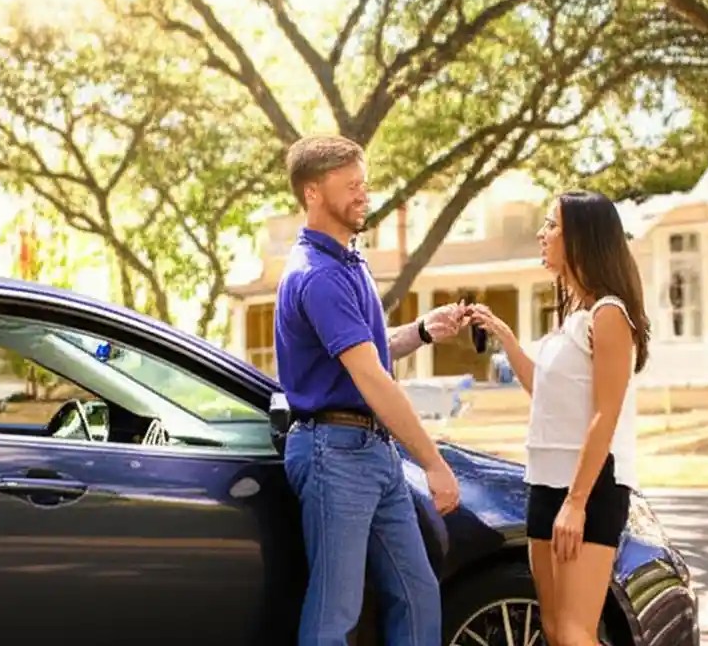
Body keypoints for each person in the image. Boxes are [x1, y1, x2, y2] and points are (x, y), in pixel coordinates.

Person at [274, 134, 464, 646]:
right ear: (313, 192)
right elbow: (371, 379)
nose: (364, 193)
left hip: (370, 451)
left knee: (416, 591)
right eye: (351, 185)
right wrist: (433, 462)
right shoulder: (317, 276)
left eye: (365, 182)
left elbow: (366, 352)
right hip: (334, 454)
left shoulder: (346, 263)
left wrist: (422, 330)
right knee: (336, 609)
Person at [467, 190, 650, 646]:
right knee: (552, 629)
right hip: (545, 482)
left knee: (574, 632)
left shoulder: (610, 314)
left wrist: (577, 501)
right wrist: (505, 336)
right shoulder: (574, 317)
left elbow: (606, 413)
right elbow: (544, 393)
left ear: (582, 239)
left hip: (588, 488)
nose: (541, 234)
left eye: (552, 226)